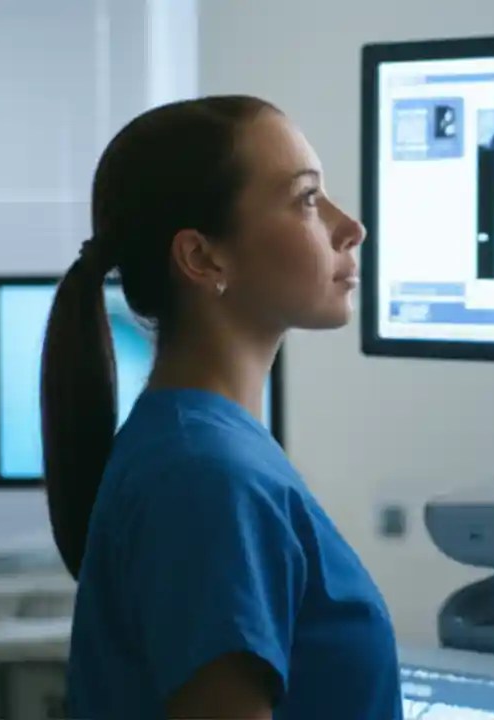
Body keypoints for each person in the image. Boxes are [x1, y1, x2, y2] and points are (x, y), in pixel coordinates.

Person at [40, 96, 402, 719]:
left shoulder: (205, 446)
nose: (351, 227)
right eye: (308, 199)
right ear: (203, 258)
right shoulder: (206, 477)